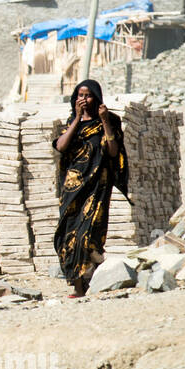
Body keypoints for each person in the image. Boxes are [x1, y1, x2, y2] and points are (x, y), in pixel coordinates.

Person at [53, 78, 130, 296]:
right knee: (68, 235)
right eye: (79, 95)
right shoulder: (72, 122)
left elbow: (114, 151)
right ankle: (78, 286)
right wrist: (77, 118)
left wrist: (105, 121)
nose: (83, 99)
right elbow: (61, 146)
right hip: (73, 189)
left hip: (97, 186)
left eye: (87, 95)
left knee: (88, 235)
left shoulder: (109, 121)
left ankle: (90, 283)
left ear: (96, 98)